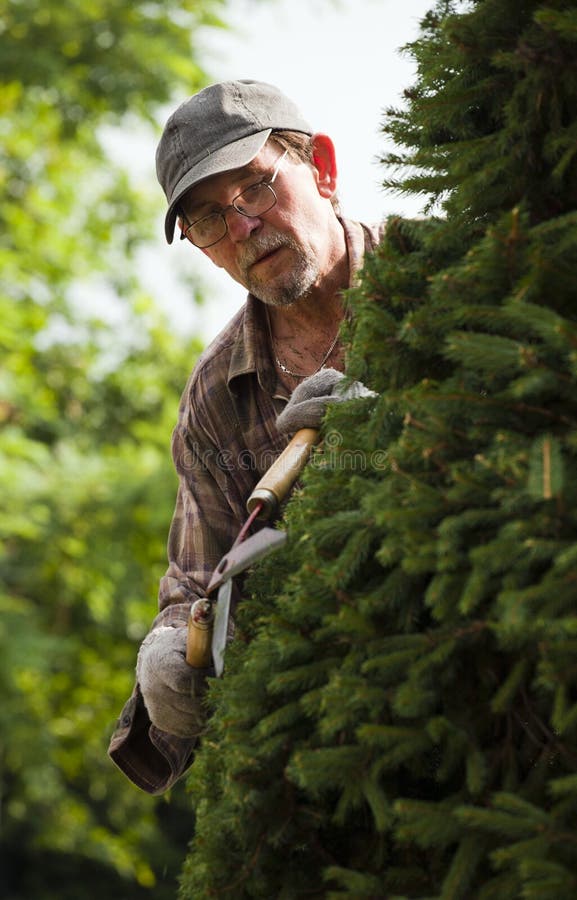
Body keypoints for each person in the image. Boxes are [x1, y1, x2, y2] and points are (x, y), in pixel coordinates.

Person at [108, 79, 383, 793]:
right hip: (342, 750)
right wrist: (167, 655)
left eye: (255, 188)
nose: (238, 229)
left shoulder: (448, 278)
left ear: (321, 166)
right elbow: (199, 581)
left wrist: (410, 431)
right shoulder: (214, 396)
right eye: (206, 219)